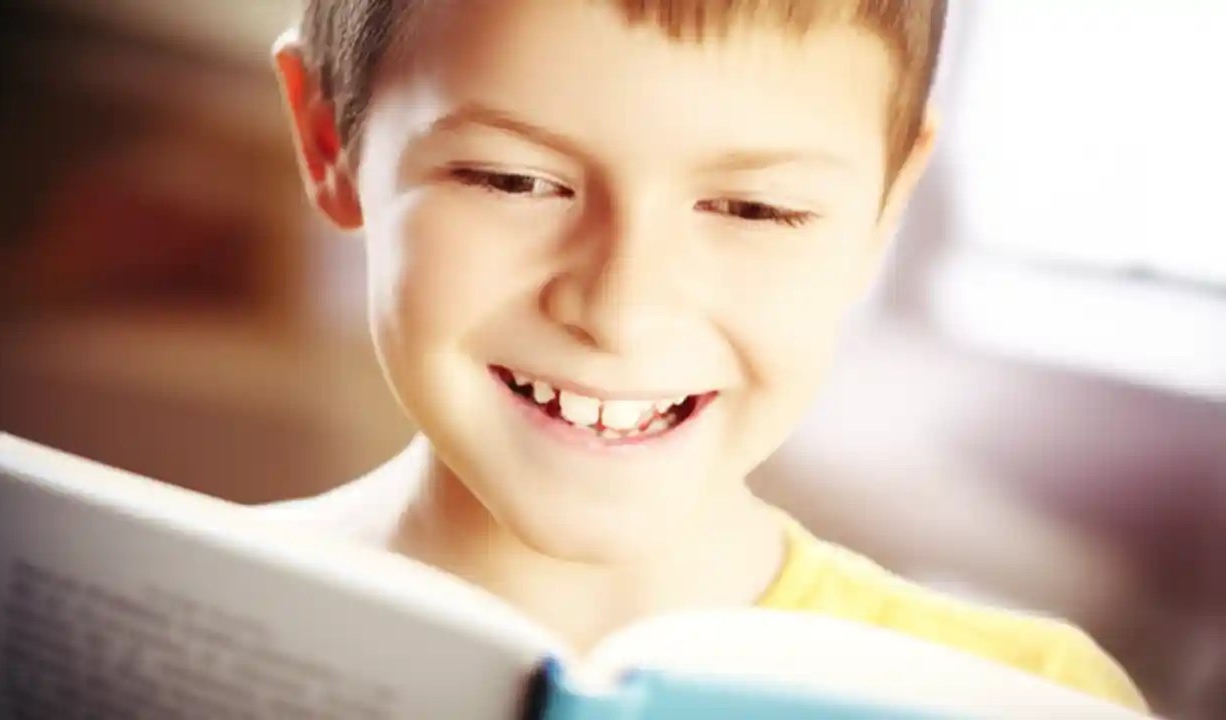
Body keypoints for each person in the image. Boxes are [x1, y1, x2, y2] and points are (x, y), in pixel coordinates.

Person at [262, 0, 1146, 711]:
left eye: (756, 210)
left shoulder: (1028, 697)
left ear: (888, 205)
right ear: (328, 142)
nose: (623, 310)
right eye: (514, 180)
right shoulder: (157, 606)